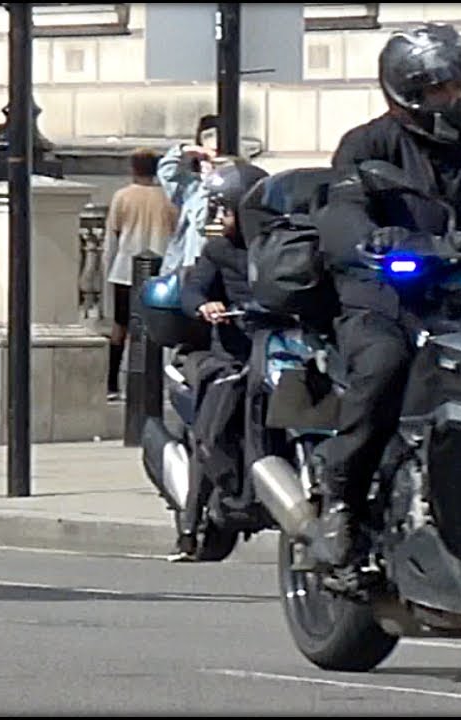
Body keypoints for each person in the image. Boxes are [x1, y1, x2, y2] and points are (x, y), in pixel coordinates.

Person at [309, 22, 461, 569]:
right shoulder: (369, 144)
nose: (456, 99)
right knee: (385, 363)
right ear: (407, 96)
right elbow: (341, 208)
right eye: (441, 90)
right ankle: (341, 496)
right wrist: (369, 236)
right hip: (386, 295)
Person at [174, 157, 269, 560]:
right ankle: (190, 524)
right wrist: (206, 306)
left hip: (275, 348)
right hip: (231, 356)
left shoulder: (280, 250)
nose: (222, 217)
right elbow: (193, 289)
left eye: (228, 209)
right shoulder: (217, 251)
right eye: (220, 209)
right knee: (209, 435)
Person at [102, 148, 178, 400]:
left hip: (125, 268)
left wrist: (108, 268)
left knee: (120, 326)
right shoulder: (168, 197)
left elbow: (112, 235)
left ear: (133, 168)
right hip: (161, 269)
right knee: (157, 325)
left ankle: (112, 383)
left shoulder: (122, 196)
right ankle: (156, 382)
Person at [157, 114, 221, 276]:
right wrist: (184, 150)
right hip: (191, 263)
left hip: (221, 266)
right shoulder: (192, 186)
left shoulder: (236, 183)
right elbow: (167, 172)